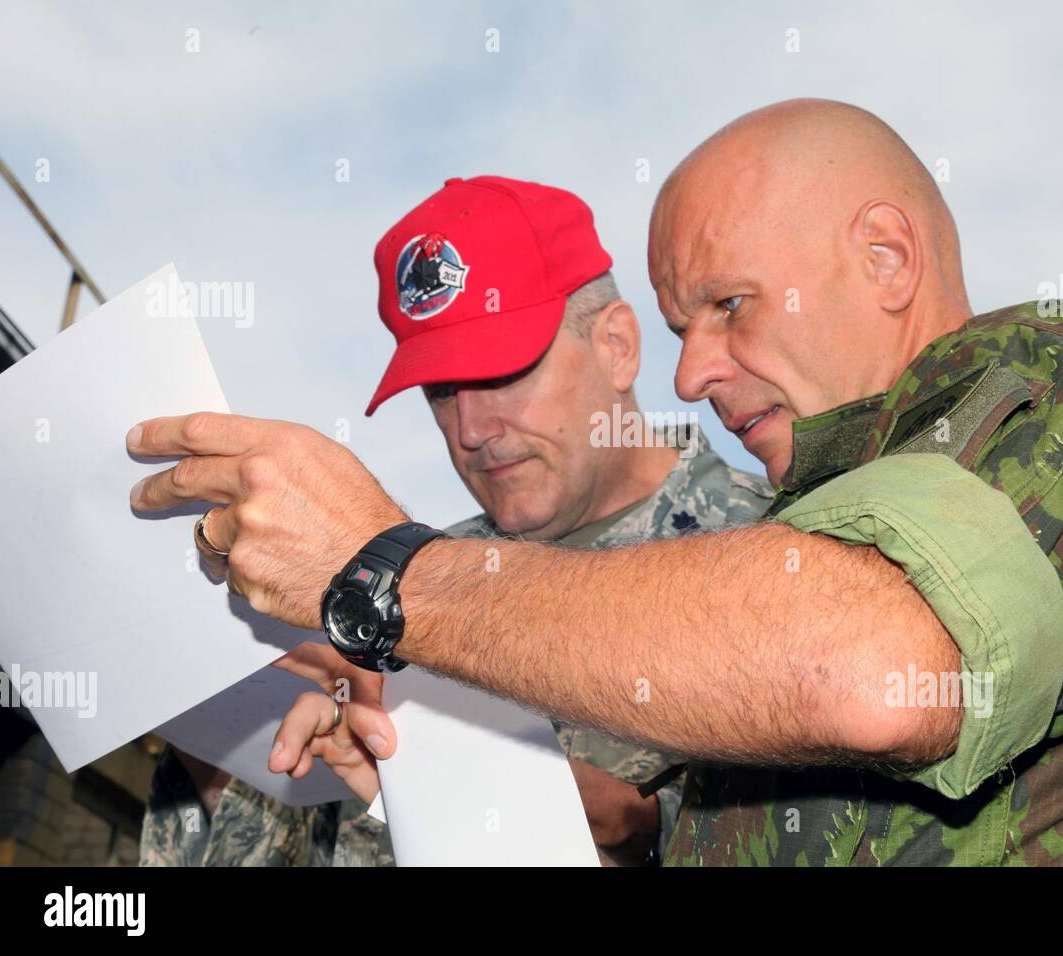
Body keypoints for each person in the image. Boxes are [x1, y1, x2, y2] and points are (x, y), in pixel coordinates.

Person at [129, 99, 1063, 866]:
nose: (693, 369)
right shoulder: (805, 534)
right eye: (686, 322)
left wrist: (392, 573)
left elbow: (873, 663)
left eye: (727, 304)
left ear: (886, 257)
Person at [142, 175, 772, 866]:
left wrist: (626, 823)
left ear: (617, 345)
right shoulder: (374, 602)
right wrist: (222, 732)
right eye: (442, 392)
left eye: (503, 373)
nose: (471, 428)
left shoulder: (787, 555)